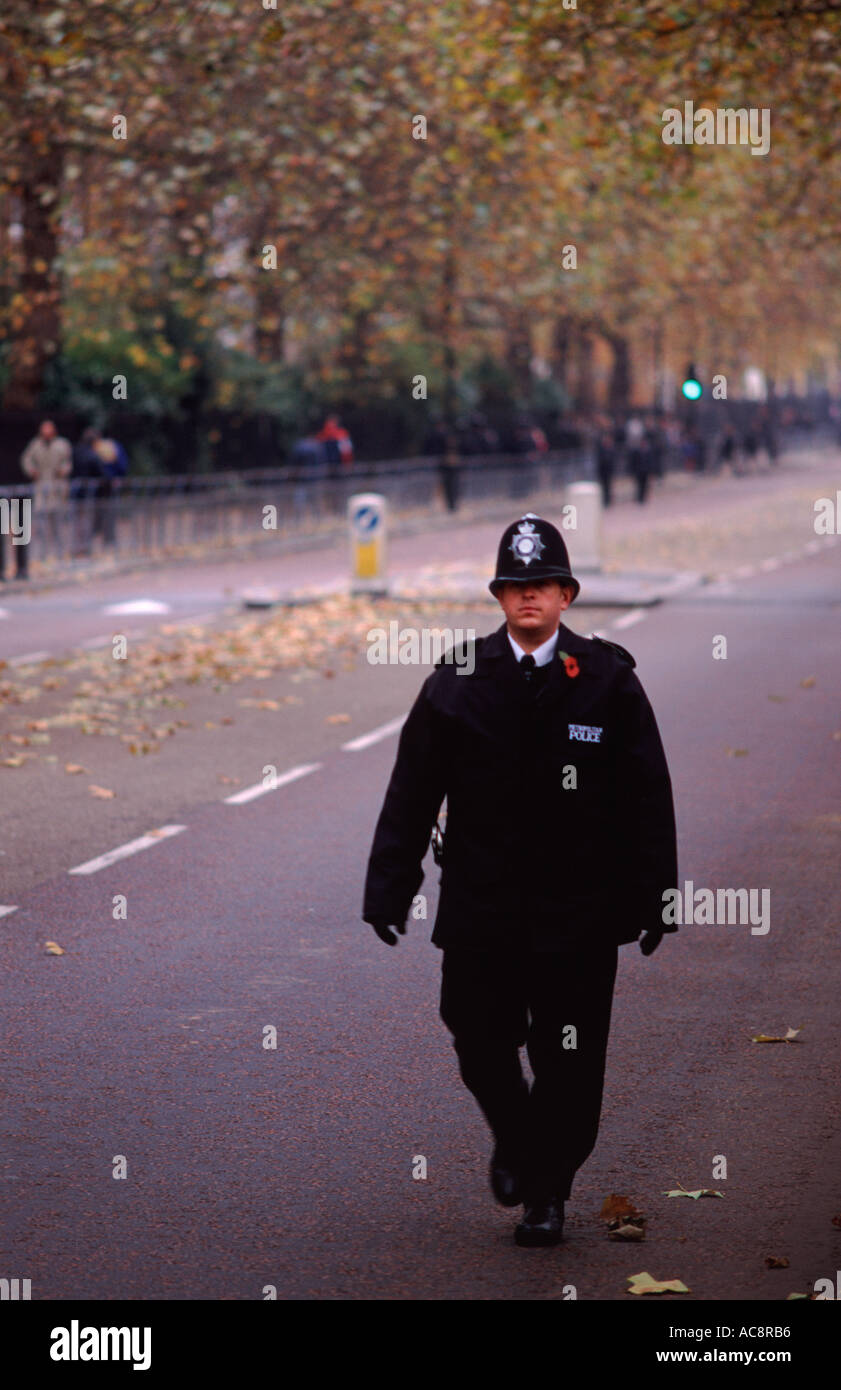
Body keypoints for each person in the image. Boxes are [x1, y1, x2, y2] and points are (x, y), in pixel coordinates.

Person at [362, 513, 678, 1247]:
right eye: (514, 586)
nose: (527, 597)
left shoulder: (606, 680)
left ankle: (545, 1194)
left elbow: (645, 794)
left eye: (541, 585)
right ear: (498, 597)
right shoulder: (456, 681)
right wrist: (388, 886)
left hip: (579, 910)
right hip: (482, 905)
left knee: (568, 1058)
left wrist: (657, 895)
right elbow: (411, 791)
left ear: (566, 594)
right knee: (475, 1034)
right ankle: (514, 1133)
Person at [20, 419, 72, 560]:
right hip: (41, 487)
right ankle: (42, 554)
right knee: (41, 522)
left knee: (58, 522)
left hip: (57, 488)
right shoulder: (35, 444)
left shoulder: (62, 444)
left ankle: (60, 553)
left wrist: (64, 470)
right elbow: (26, 460)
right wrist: (31, 471)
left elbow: (68, 462)